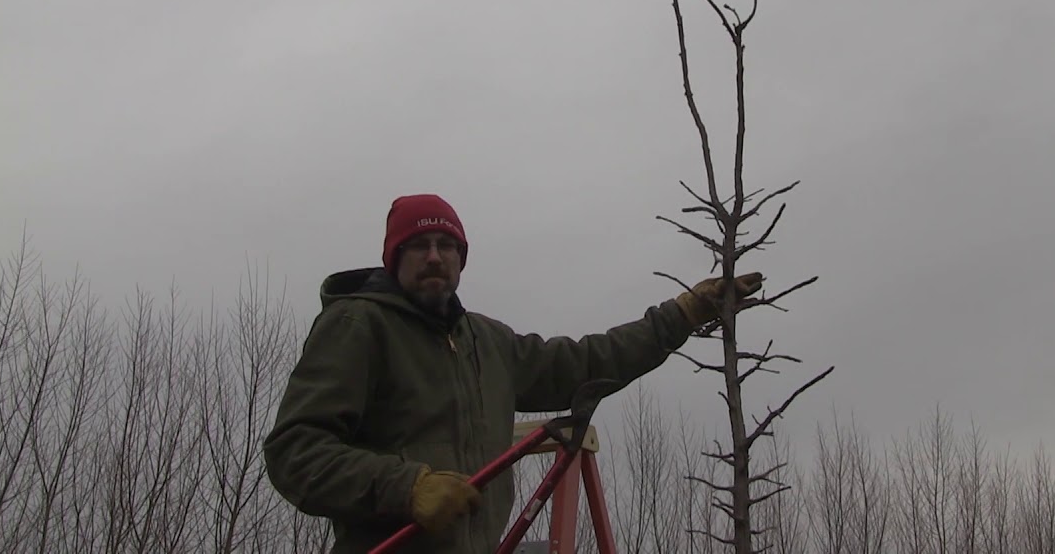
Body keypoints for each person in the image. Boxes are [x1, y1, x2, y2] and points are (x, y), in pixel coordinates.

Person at [262, 193, 763, 553]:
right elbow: (295, 452)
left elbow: (585, 363)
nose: (434, 256)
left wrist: (682, 314)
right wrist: (407, 488)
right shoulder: (358, 325)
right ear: (393, 258)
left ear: (461, 259)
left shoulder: (488, 342)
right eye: (418, 245)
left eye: (447, 244)